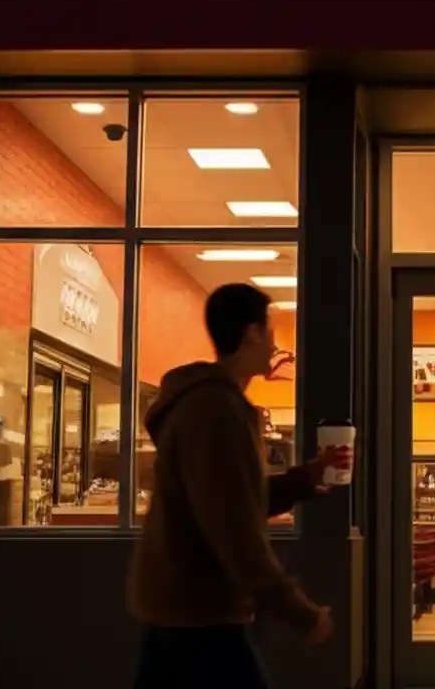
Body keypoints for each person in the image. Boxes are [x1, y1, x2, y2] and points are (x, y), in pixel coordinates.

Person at [129, 283, 340, 688]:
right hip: (201, 608)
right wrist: (299, 611)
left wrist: (305, 478)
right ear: (252, 334)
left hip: (178, 601)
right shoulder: (217, 410)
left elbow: (234, 499)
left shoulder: (206, 404)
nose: (276, 343)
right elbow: (233, 526)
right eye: (271, 330)